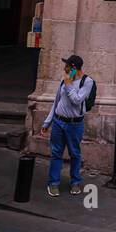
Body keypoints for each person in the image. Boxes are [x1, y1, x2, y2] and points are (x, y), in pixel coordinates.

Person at [40, 54, 94, 197]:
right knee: (56, 153)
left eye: (67, 66)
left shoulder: (87, 82)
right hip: (58, 121)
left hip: (74, 124)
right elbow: (57, 101)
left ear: (74, 68)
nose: (64, 68)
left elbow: (77, 100)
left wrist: (69, 84)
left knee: (74, 154)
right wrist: (47, 122)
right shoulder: (64, 80)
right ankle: (53, 183)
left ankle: (75, 182)